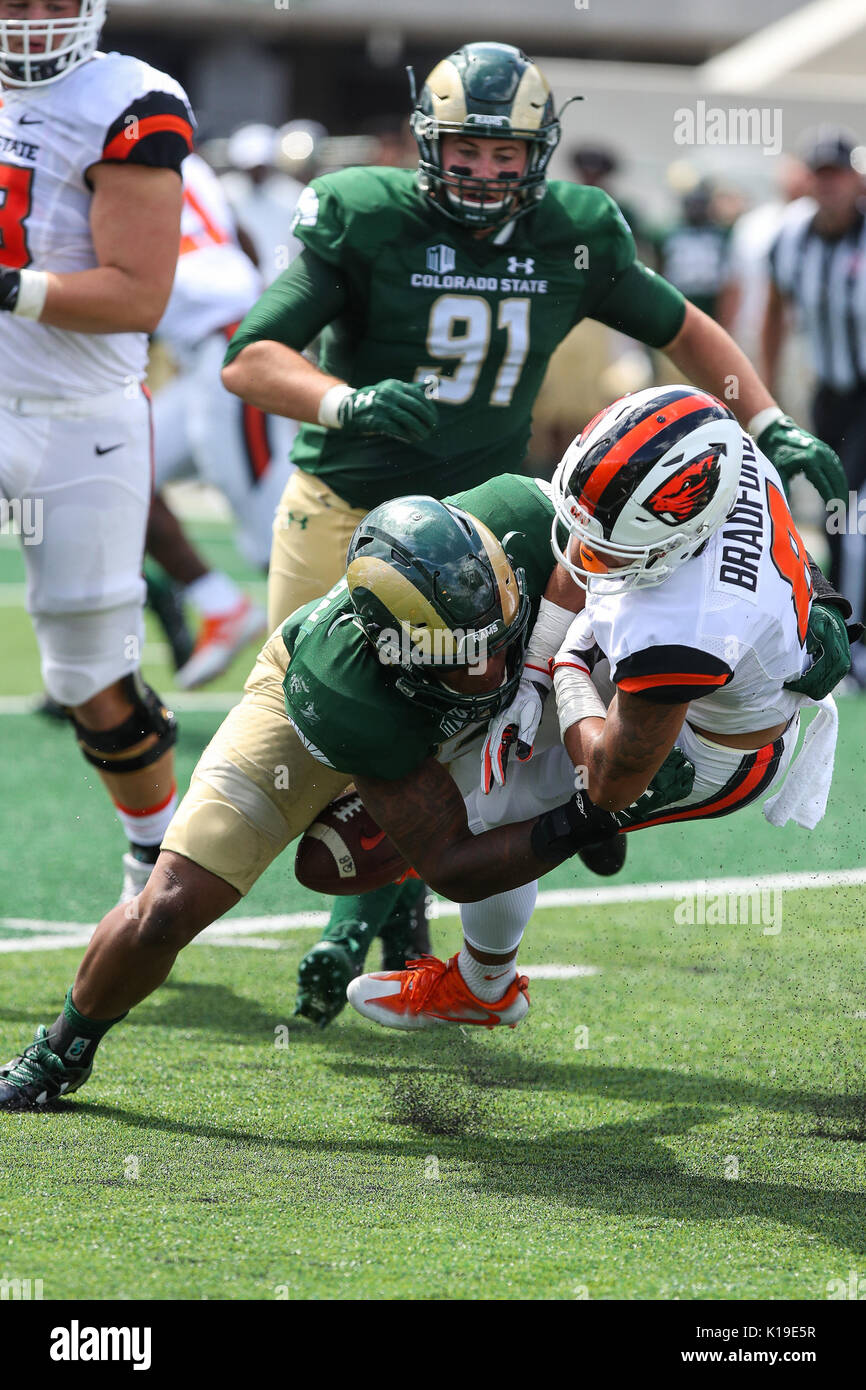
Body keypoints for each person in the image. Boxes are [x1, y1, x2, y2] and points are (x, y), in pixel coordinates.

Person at [220, 39, 845, 1026]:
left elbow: (681, 328)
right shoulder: (364, 213)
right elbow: (249, 358)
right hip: (352, 508)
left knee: (474, 757)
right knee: (340, 716)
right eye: (464, 150)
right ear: (427, 144)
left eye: (504, 155)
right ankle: (377, 919)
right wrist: (345, 402)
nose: (482, 171)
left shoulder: (575, 234)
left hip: (489, 524)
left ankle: (412, 943)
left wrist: (564, 699)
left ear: (540, 153)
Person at [0, 433, 853, 1104]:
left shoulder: (520, 514)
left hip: (518, 664)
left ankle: (491, 969)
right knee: (170, 908)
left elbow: (607, 558)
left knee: (617, 702)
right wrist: (582, 817)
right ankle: (63, 1045)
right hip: (337, 726)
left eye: (494, 633)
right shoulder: (353, 694)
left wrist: (787, 624)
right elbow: (447, 860)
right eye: (461, 658)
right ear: (395, 649)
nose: (485, 669)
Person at [347, 387, 859, 1030]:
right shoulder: (709, 440)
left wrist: (560, 670)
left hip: (702, 752)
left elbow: (609, 776)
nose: (585, 556)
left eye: (612, 550)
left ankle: (485, 988)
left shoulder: (684, 626)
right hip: (695, 676)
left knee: (494, 807)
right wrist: (533, 667)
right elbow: (593, 544)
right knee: (528, 700)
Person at [0, 0, 194, 900]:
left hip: (82, 417)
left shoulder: (129, 99)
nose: (33, 19)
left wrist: (8, 288)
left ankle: (153, 857)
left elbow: (136, 295)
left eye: (52, 0)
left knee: (91, 677)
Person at [146, 150, 295, 689]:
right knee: (124, 477)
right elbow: (239, 241)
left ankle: (355, 667)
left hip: (229, 349)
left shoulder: (102, 149)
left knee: (271, 532)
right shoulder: (185, 160)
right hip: (202, 357)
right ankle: (218, 605)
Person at [762, 127, 866, 679]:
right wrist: (765, 384)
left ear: (855, 178)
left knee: (847, 511)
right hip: (831, 392)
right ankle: (843, 634)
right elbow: (776, 307)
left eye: (839, 175)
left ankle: (847, 640)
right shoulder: (792, 238)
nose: (830, 187)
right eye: (821, 175)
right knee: (835, 508)